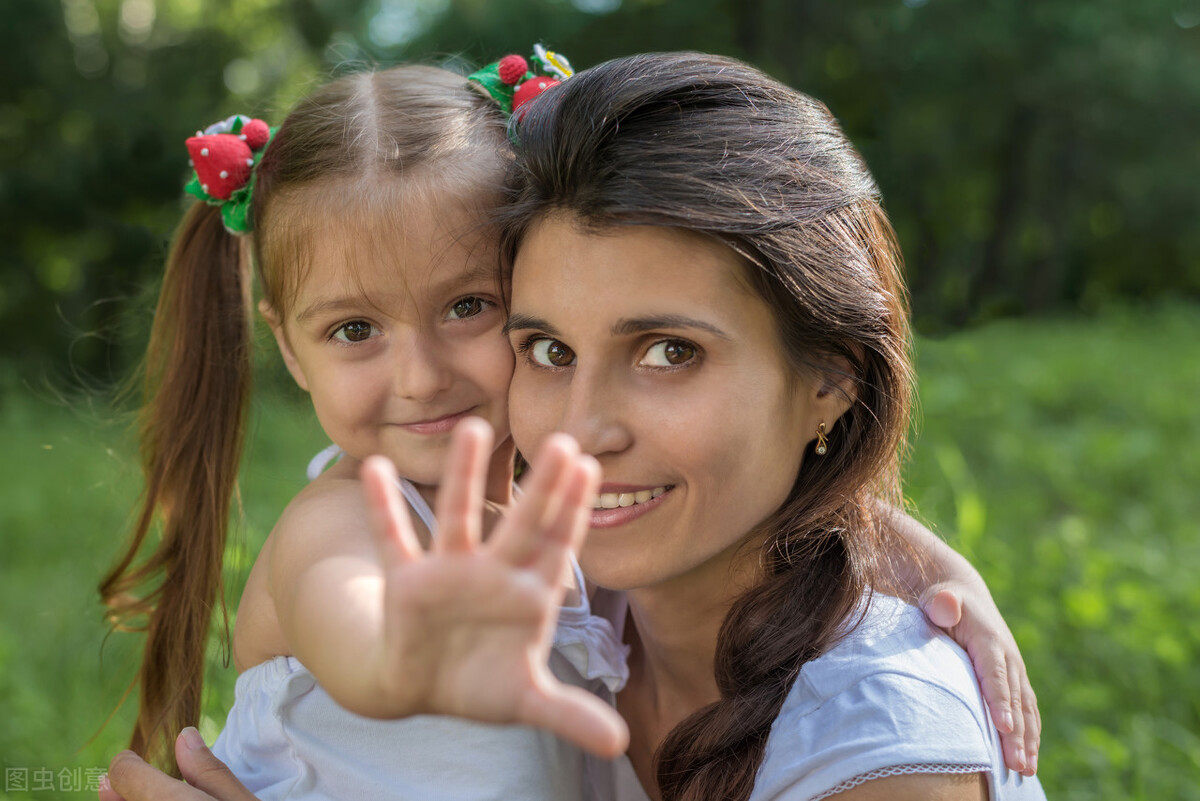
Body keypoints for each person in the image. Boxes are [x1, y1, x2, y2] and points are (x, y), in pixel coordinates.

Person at [99, 54, 1041, 801]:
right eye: (550, 347)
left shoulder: (884, 750)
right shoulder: (354, 526)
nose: (421, 374)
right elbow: (356, 618)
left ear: (832, 376)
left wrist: (940, 573)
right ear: (291, 351)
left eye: (469, 308)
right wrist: (401, 657)